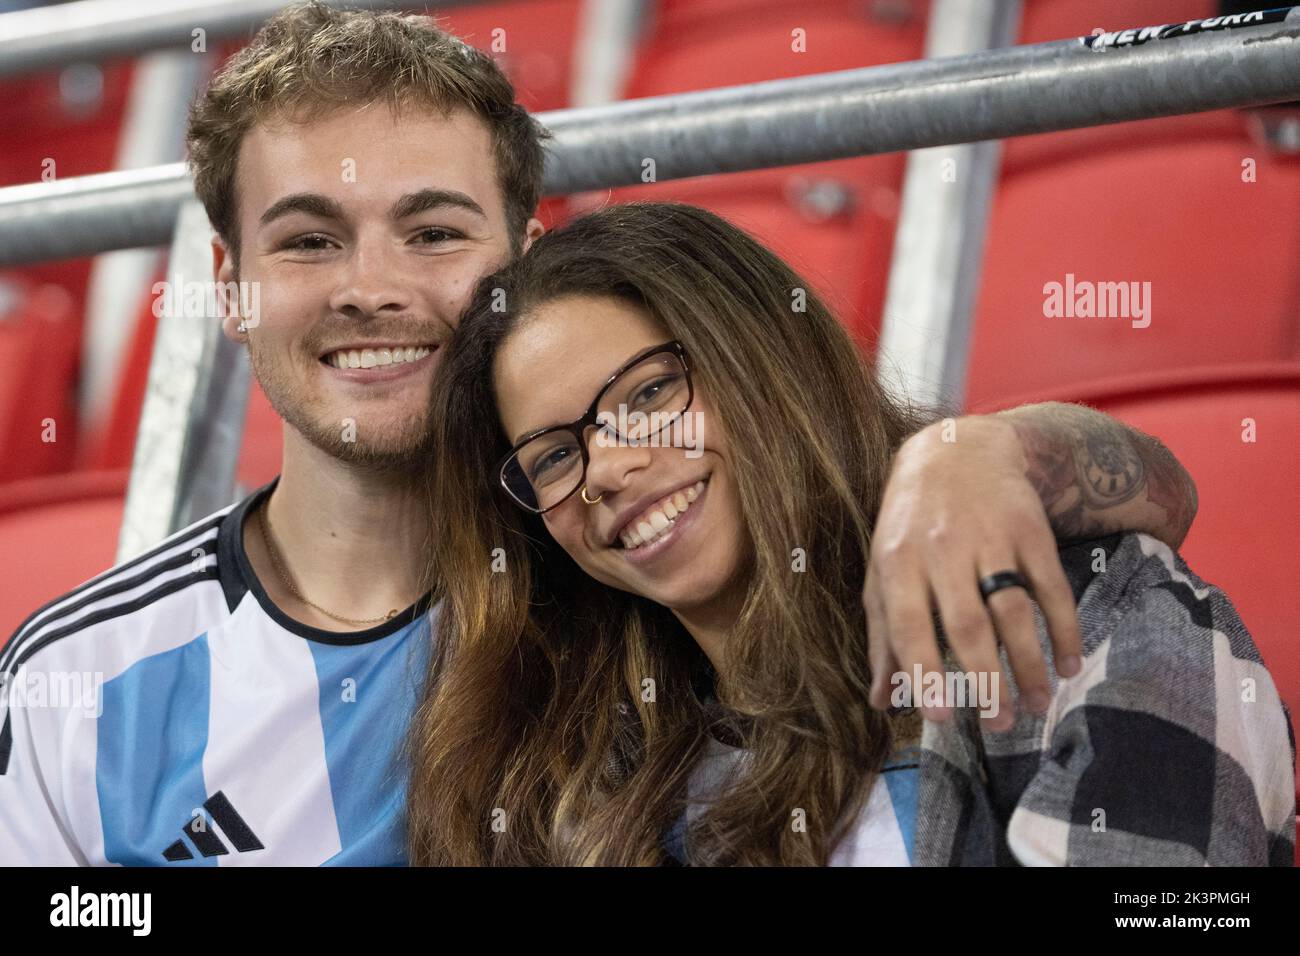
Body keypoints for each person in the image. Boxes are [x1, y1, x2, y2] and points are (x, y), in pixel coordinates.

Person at [0, 3, 1201, 866]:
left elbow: (1150, 520)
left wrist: (974, 451)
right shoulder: (79, 684)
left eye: (432, 231)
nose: (373, 289)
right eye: (308, 239)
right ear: (228, 280)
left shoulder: (641, 590)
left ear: (525, 253)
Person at [408, 201, 1295, 866]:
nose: (606, 468)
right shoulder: (590, 774)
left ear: (762, 359)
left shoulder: (1092, 609)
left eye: (647, 393)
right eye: (555, 455)